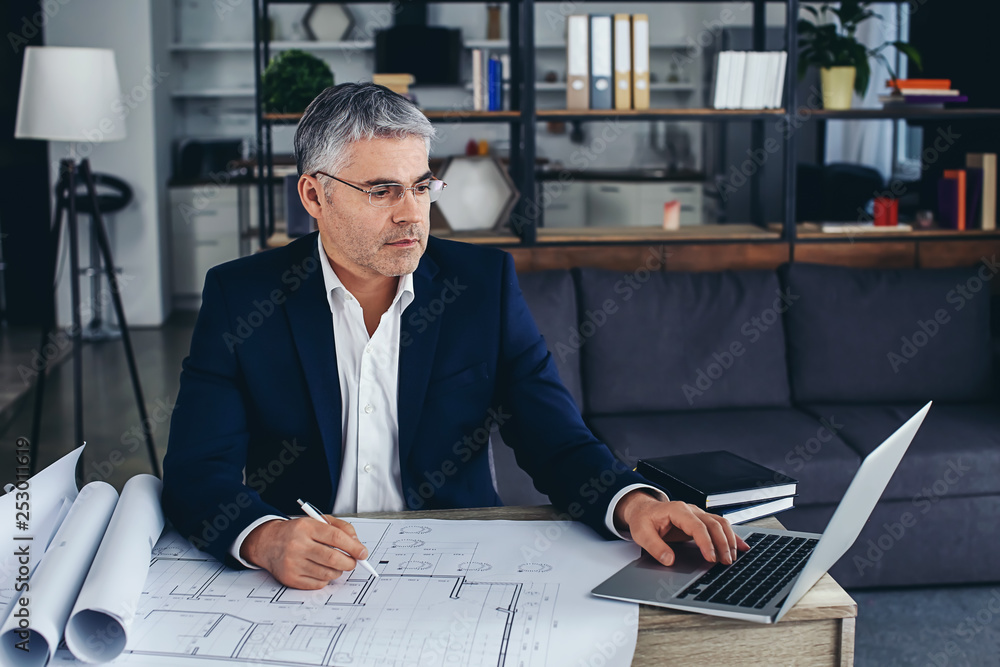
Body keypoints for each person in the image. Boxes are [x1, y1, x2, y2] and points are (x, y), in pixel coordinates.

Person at [162, 82, 746, 590]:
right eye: (382, 190)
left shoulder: (479, 286)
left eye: (421, 187)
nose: (412, 215)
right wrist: (265, 539)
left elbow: (556, 440)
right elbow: (196, 471)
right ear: (315, 195)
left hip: (457, 565)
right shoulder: (242, 297)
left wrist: (635, 503)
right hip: (309, 578)